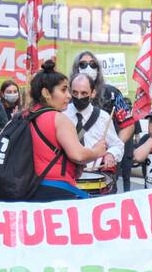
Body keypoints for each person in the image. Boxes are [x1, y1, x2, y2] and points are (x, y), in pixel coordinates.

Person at [25, 60, 108, 202]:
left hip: (28, 188)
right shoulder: (59, 119)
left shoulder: (22, 116)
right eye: (64, 90)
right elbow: (78, 155)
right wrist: (97, 152)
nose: (69, 96)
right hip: (57, 190)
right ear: (46, 93)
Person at [64, 71, 123, 188]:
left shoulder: (103, 117)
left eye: (84, 93)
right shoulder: (62, 114)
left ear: (93, 93)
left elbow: (117, 145)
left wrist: (110, 154)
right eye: (75, 93)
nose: (79, 97)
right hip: (67, 178)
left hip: (94, 176)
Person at [72, 50, 133, 136]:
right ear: (76, 68)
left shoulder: (112, 93)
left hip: (105, 146)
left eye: (93, 64)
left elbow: (128, 124)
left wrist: (115, 146)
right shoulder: (68, 94)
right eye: (83, 64)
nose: (88, 68)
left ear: (98, 69)